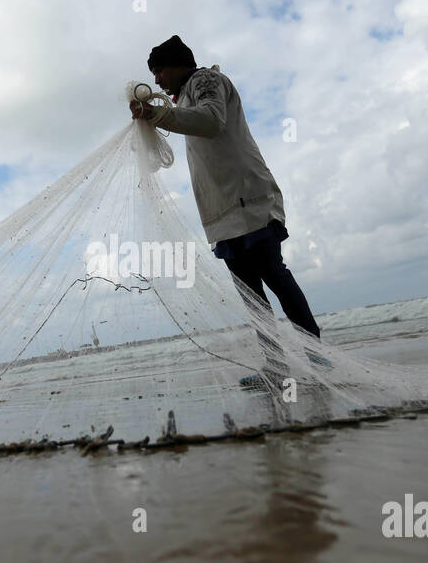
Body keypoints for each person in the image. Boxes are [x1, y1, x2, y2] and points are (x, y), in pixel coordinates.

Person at [131, 35, 326, 383]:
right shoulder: (184, 97)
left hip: (247, 196)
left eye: (159, 71)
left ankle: (318, 356)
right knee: (250, 293)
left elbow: (211, 121)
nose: (157, 80)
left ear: (179, 64)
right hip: (222, 209)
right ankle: (275, 365)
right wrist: (158, 115)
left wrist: (158, 113)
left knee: (273, 273)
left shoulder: (206, 80)